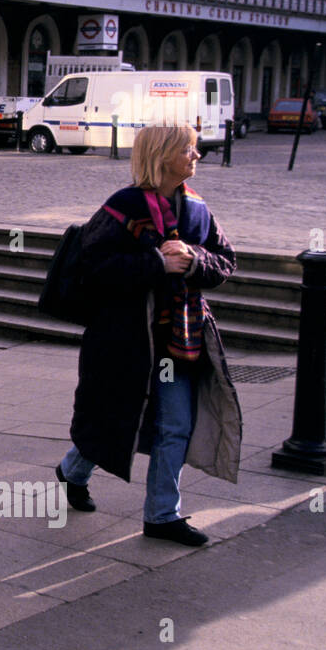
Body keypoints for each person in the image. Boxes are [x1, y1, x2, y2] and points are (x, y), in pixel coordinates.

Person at [54, 123, 243, 547]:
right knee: (112, 417)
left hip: (180, 340)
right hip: (126, 341)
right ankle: (71, 473)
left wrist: (193, 258)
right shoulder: (122, 206)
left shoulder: (197, 208)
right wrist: (156, 264)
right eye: (188, 149)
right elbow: (90, 271)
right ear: (162, 155)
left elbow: (227, 260)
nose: (196, 156)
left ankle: (161, 515)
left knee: (175, 425)